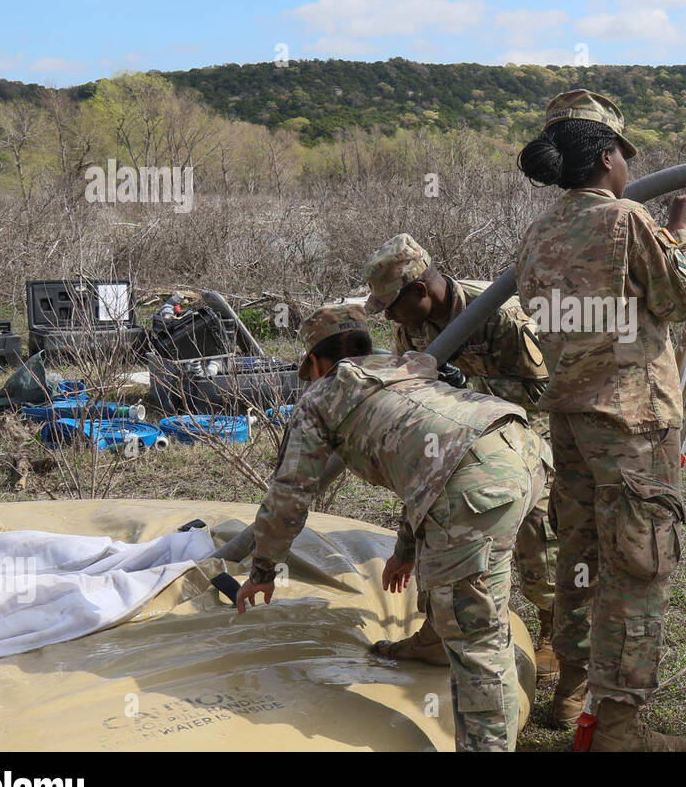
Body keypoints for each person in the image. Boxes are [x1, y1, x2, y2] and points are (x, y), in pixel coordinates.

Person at [235, 303, 551, 752]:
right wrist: (404, 550)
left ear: (318, 363)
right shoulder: (411, 365)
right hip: (521, 444)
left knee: (477, 634)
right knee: (457, 576)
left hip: (472, 480)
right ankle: (438, 642)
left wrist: (263, 569)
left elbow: (289, 495)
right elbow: (425, 470)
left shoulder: (322, 399)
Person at [515, 88, 686, 751]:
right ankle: (621, 727)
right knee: (637, 569)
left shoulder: (538, 233)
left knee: (581, 560)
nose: (629, 167)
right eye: (624, 156)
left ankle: (570, 697)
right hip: (631, 425)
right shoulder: (626, 219)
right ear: (606, 156)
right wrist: (684, 231)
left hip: (570, 423)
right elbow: (682, 297)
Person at [361, 233, 560, 681]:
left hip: (527, 432)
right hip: (458, 436)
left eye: (392, 304)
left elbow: (548, 393)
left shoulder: (502, 318)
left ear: (421, 291)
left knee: (537, 536)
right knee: (441, 524)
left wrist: (470, 393)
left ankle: (553, 629)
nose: (388, 316)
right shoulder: (410, 327)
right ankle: (435, 630)